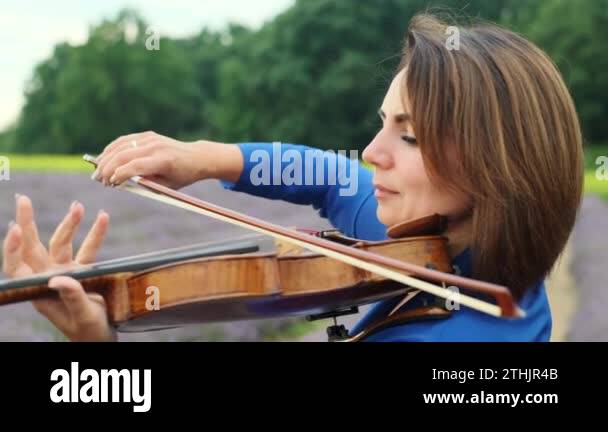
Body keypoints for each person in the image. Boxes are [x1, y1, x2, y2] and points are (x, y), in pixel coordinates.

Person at [2, 14, 584, 341]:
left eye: (409, 135)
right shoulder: (444, 246)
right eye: (383, 124)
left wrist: (95, 345)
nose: (371, 152)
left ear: (493, 165)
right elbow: (330, 178)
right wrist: (206, 157)